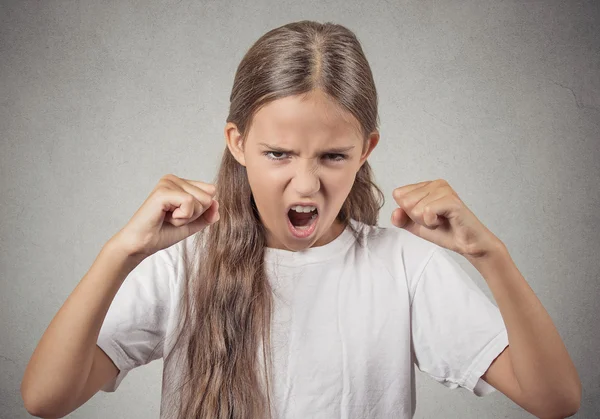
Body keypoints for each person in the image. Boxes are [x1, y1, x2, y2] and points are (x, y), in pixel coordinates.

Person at [21, 20, 580, 419]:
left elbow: (554, 400)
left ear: (366, 150)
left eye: (333, 156)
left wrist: (492, 256)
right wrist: (121, 252)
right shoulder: (181, 265)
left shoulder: (404, 267)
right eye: (279, 154)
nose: (307, 183)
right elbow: (46, 400)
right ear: (238, 144)